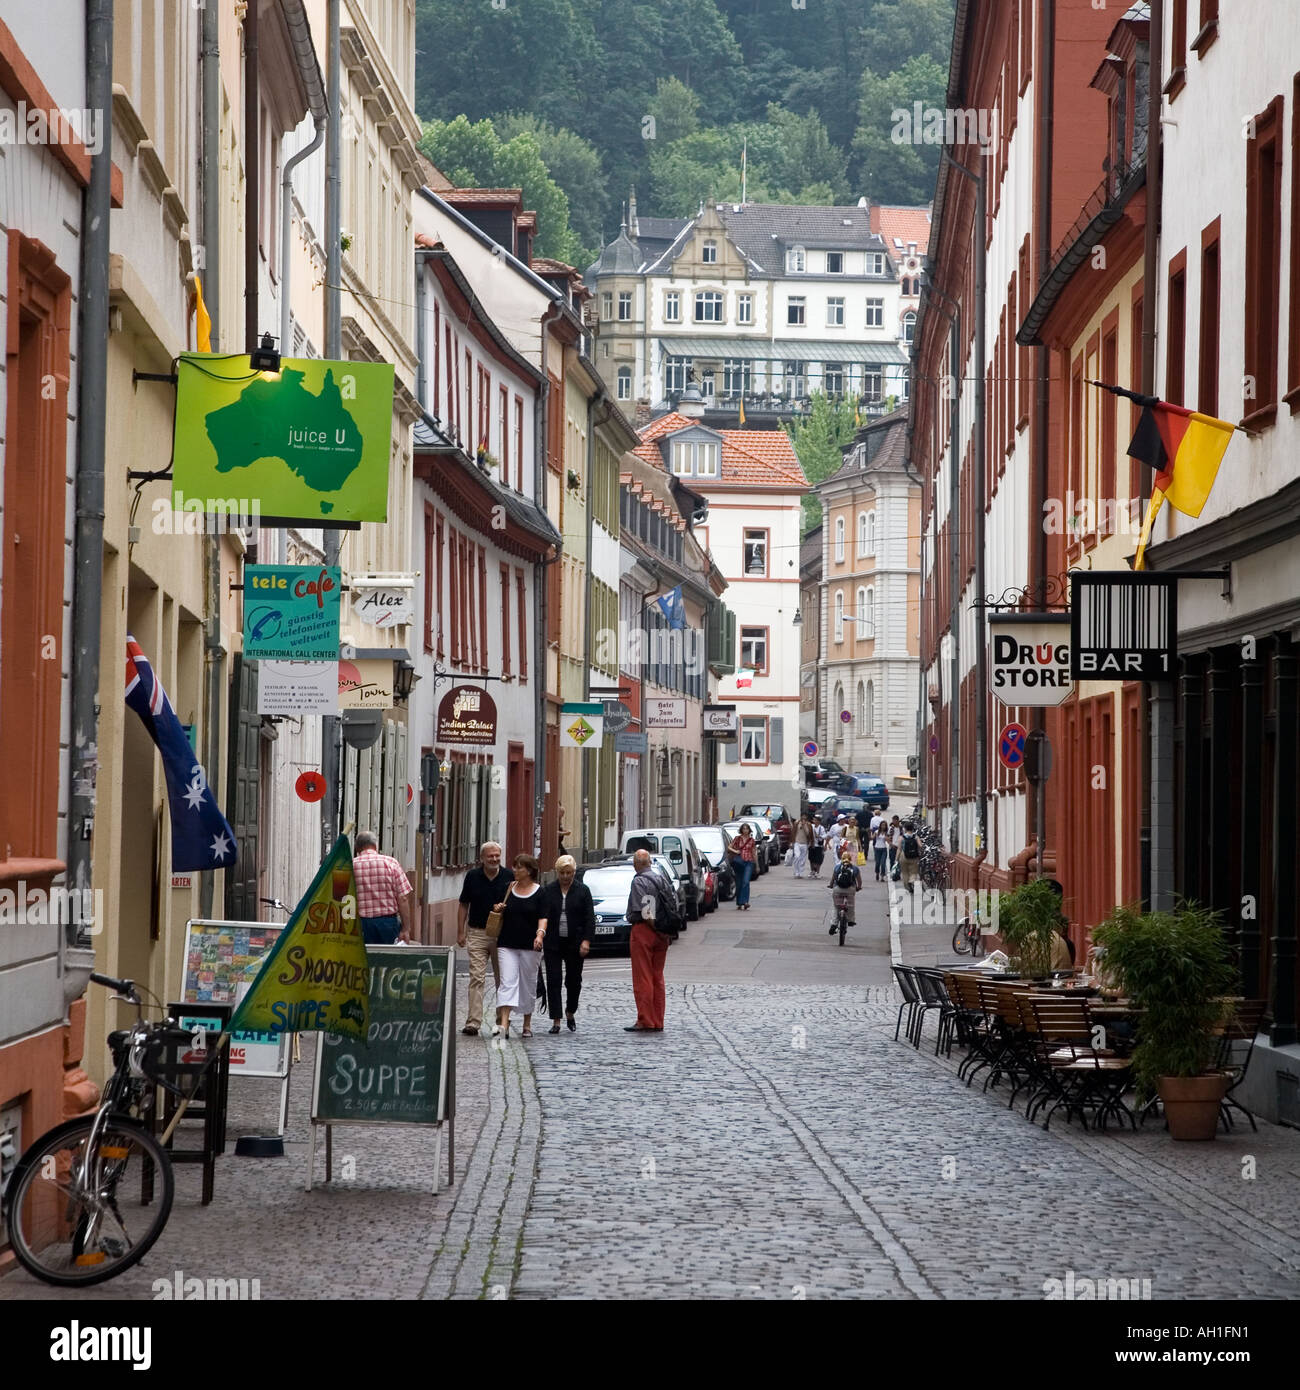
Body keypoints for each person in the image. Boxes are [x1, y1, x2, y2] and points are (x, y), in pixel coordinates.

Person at [491, 854, 548, 1039]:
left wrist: (540, 935)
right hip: (507, 943)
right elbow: (496, 907)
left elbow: (543, 917)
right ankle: (504, 1024)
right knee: (507, 982)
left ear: (529, 871)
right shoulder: (508, 888)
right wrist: (498, 908)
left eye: (519, 867)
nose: (514, 870)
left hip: (530, 945)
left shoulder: (540, 893)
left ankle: (527, 1023)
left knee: (528, 984)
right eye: (514, 866)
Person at [541, 855, 594, 1032]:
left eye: (569, 872)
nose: (565, 876)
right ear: (557, 872)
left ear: (574, 872)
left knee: (573, 981)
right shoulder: (549, 890)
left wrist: (586, 940)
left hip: (575, 942)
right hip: (553, 942)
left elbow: (589, 918)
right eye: (562, 873)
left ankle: (570, 1011)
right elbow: (543, 916)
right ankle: (556, 1020)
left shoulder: (583, 890)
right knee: (554, 980)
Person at [457, 841, 506, 1036]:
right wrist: (460, 932)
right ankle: (473, 1022)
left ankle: (501, 1021)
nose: (494, 859)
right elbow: (463, 904)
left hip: (502, 934)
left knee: (502, 979)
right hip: (477, 932)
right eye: (490, 856)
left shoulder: (508, 876)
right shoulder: (472, 877)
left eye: (497, 856)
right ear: (482, 858)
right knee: (476, 977)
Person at [624, 848, 669, 1031]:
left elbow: (646, 911)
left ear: (636, 864)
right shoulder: (661, 879)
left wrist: (655, 929)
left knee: (643, 977)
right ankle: (658, 1020)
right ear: (649, 862)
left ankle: (646, 1020)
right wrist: (664, 932)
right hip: (663, 934)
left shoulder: (640, 881)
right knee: (657, 977)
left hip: (645, 931)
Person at [353, 831, 413, 945]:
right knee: (387, 960)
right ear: (376, 846)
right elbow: (403, 898)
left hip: (359, 924)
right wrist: (406, 929)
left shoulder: (350, 866)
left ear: (357, 848)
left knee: (363, 960)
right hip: (387, 924)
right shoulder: (391, 863)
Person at [828, 845, 862, 934]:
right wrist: (858, 887)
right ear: (850, 859)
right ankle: (850, 920)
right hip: (850, 890)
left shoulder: (837, 867)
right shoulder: (855, 868)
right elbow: (859, 881)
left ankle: (834, 924)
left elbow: (833, 880)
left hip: (837, 889)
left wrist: (831, 886)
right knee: (851, 905)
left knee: (836, 907)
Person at [727, 823, 758, 910]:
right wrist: (735, 851)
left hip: (749, 862)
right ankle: (739, 902)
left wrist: (756, 865)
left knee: (746, 882)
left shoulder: (752, 840)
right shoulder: (737, 838)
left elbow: (754, 852)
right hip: (739, 863)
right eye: (744, 829)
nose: (745, 830)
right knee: (739, 882)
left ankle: (745, 902)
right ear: (741, 830)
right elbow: (729, 847)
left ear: (749, 830)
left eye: (747, 829)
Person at [897, 820, 922, 895]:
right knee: (914, 872)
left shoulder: (902, 837)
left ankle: (908, 887)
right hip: (914, 856)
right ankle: (912, 881)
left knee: (905, 873)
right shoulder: (916, 837)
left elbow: (899, 849)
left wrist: (896, 858)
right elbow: (920, 846)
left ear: (905, 828)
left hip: (904, 856)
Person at [872, 818, 891, 882]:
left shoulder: (886, 833)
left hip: (883, 849)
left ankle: (882, 876)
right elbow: (872, 838)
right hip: (877, 848)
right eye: (882, 825)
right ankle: (877, 872)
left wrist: (887, 838)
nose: (883, 826)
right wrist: (872, 834)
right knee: (877, 863)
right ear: (880, 826)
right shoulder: (877, 832)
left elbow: (888, 841)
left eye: (884, 825)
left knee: (883, 863)